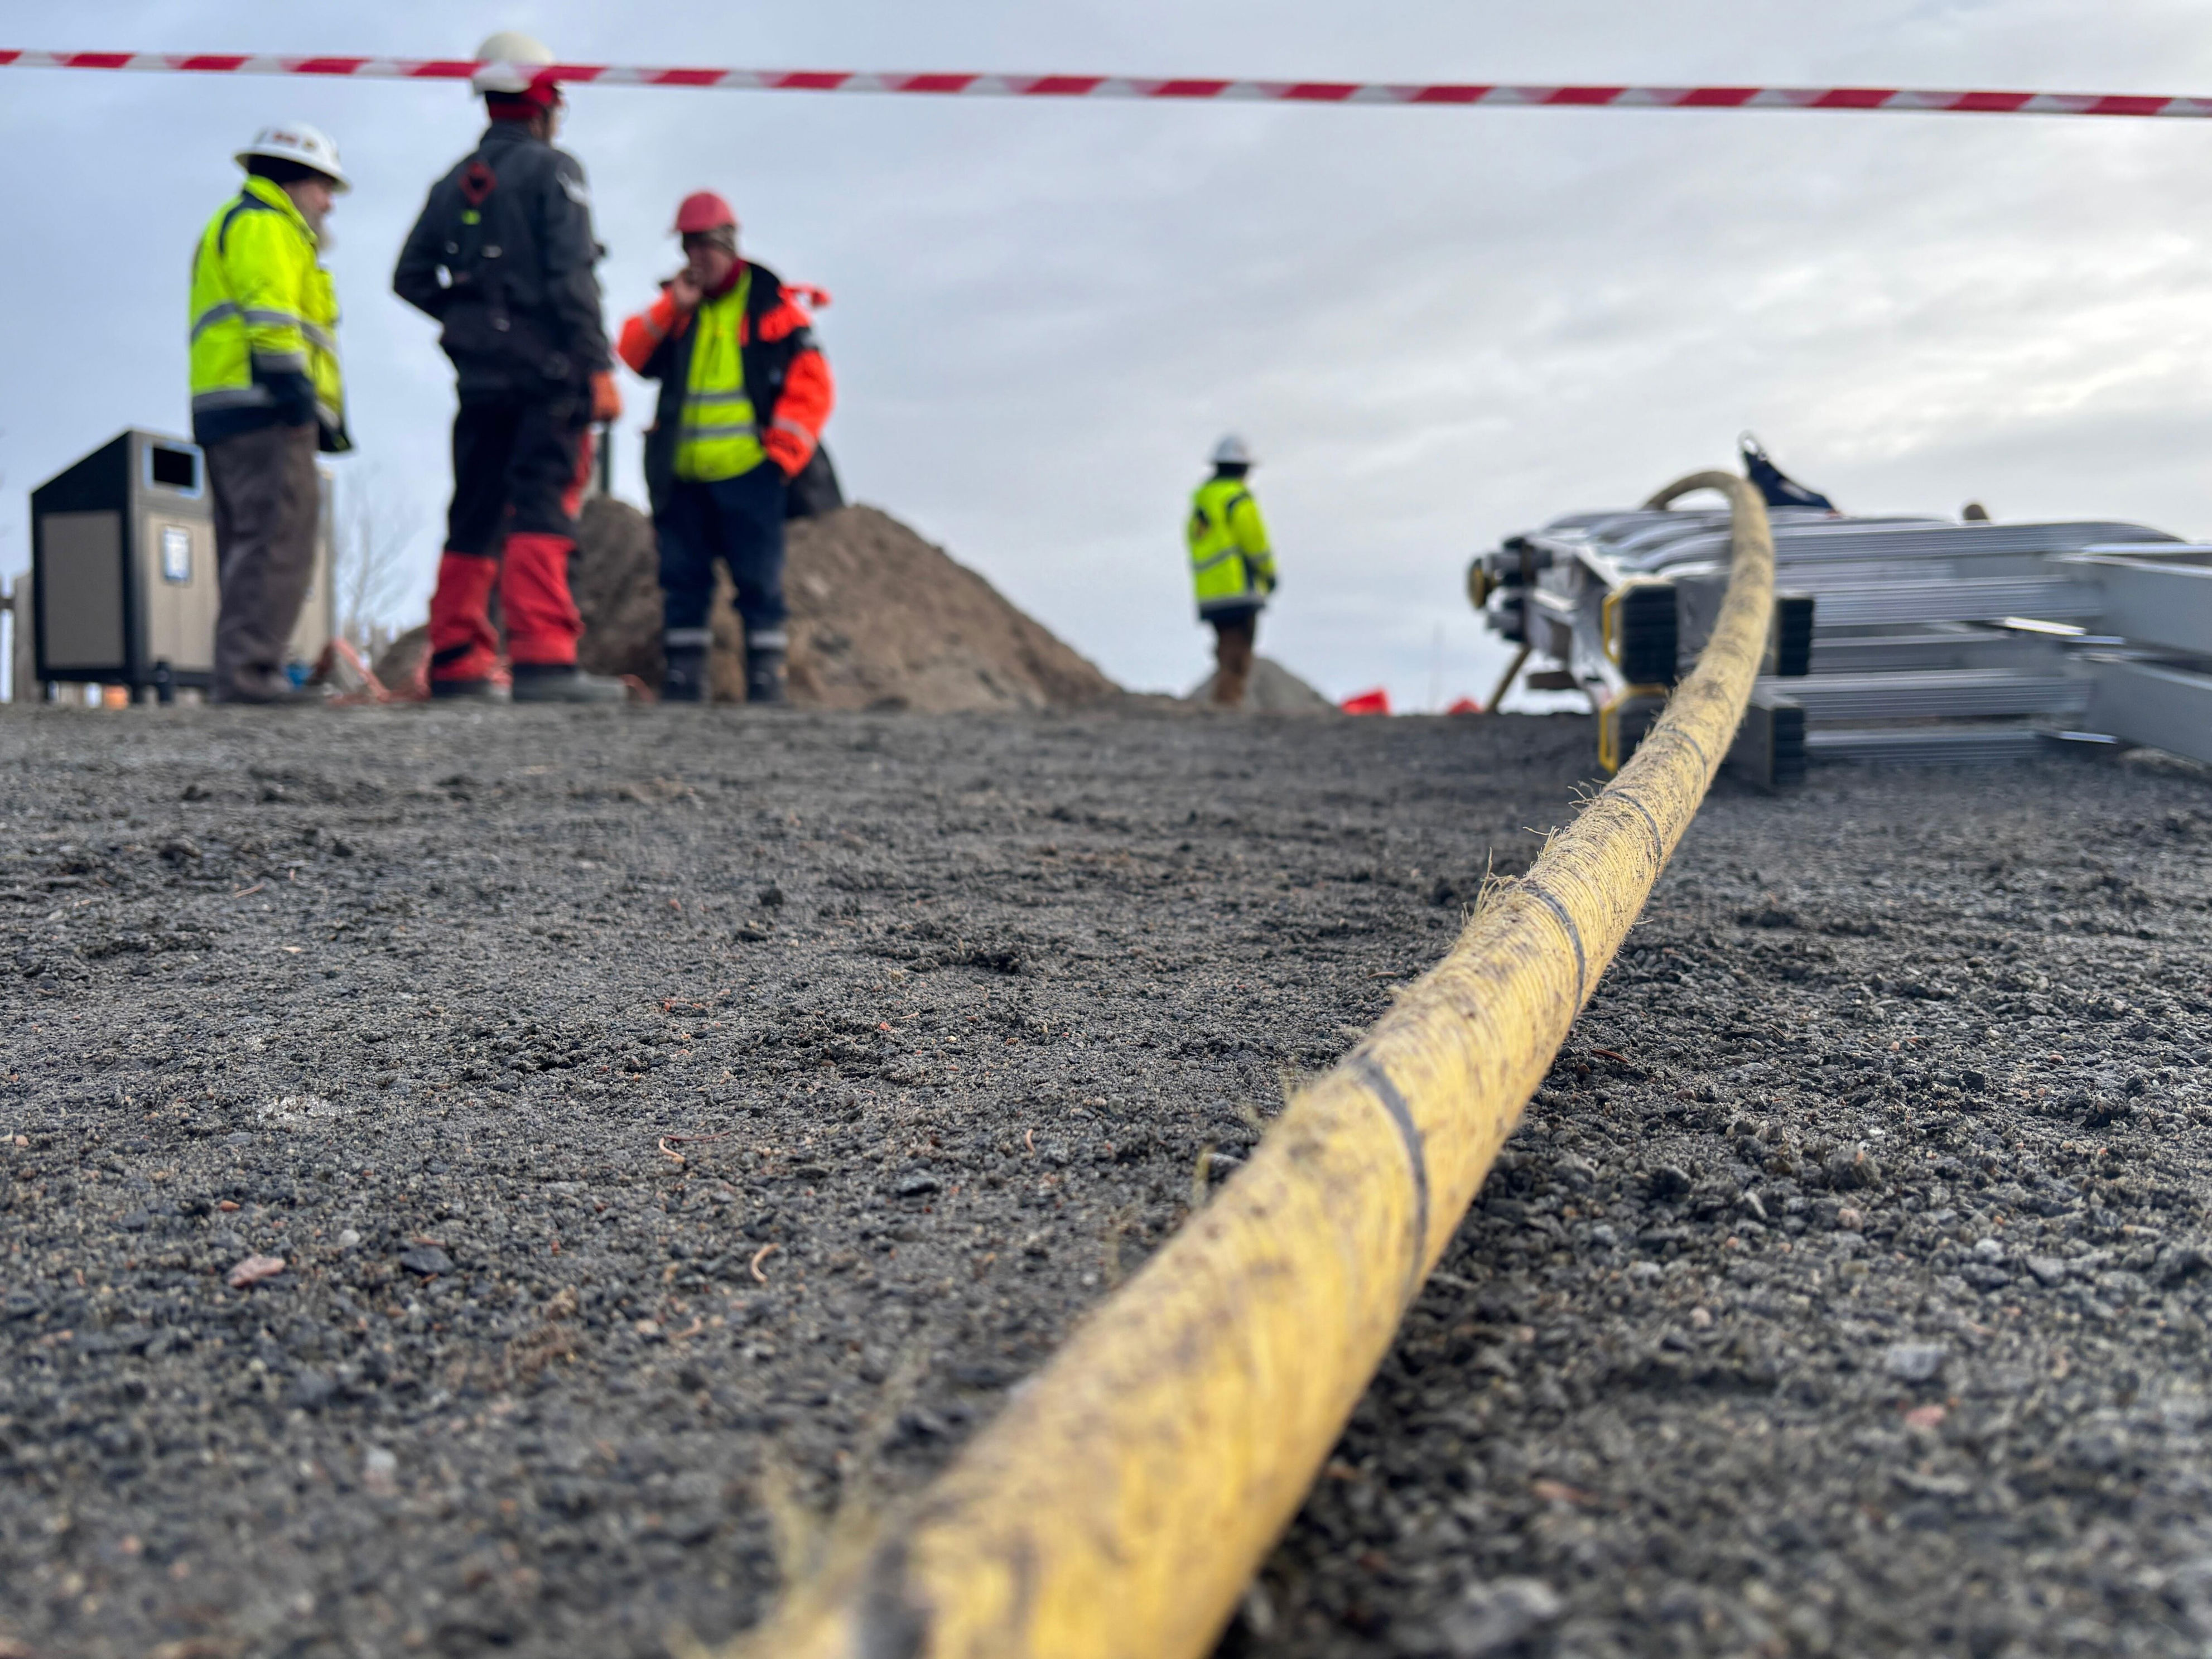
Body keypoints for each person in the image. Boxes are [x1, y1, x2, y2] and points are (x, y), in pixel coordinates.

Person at [393, 31, 626, 702]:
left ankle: (459, 663)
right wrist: (597, 365)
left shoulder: (452, 184)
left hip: (480, 380)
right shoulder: (555, 172)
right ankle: (545, 660)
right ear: (544, 101)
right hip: (549, 377)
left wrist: (467, 320)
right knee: (543, 505)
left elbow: (408, 275)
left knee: (474, 512)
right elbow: (572, 279)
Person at [616, 191, 835, 703]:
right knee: (682, 582)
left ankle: (765, 685)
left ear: (728, 245)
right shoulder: (679, 309)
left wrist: (781, 458)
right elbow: (630, 351)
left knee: (759, 583)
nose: (695, 258)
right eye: (688, 247)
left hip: (750, 475)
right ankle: (683, 685)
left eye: (704, 247)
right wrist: (674, 304)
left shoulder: (771, 306)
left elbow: (812, 385)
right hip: (684, 478)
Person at [188, 123, 350, 704]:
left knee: (251, 541)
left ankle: (244, 671)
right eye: (324, 186)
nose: (329, 202)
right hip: (265, 409)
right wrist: (297, 397)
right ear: (295, 179)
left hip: (231, 407)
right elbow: (272, 314)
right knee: (278, 538)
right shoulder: (267, 224)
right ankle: (251, 674)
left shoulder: (240, 222)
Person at [1187, 435, 1278, 707]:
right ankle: (1227, 705)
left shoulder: (1201, 504)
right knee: (1238, 654)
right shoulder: (1237, 500)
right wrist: (1268, 574)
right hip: (1237, 589)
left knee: (1227, 648)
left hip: (1209, 592)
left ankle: (1225, 701)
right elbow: (1255, 542)